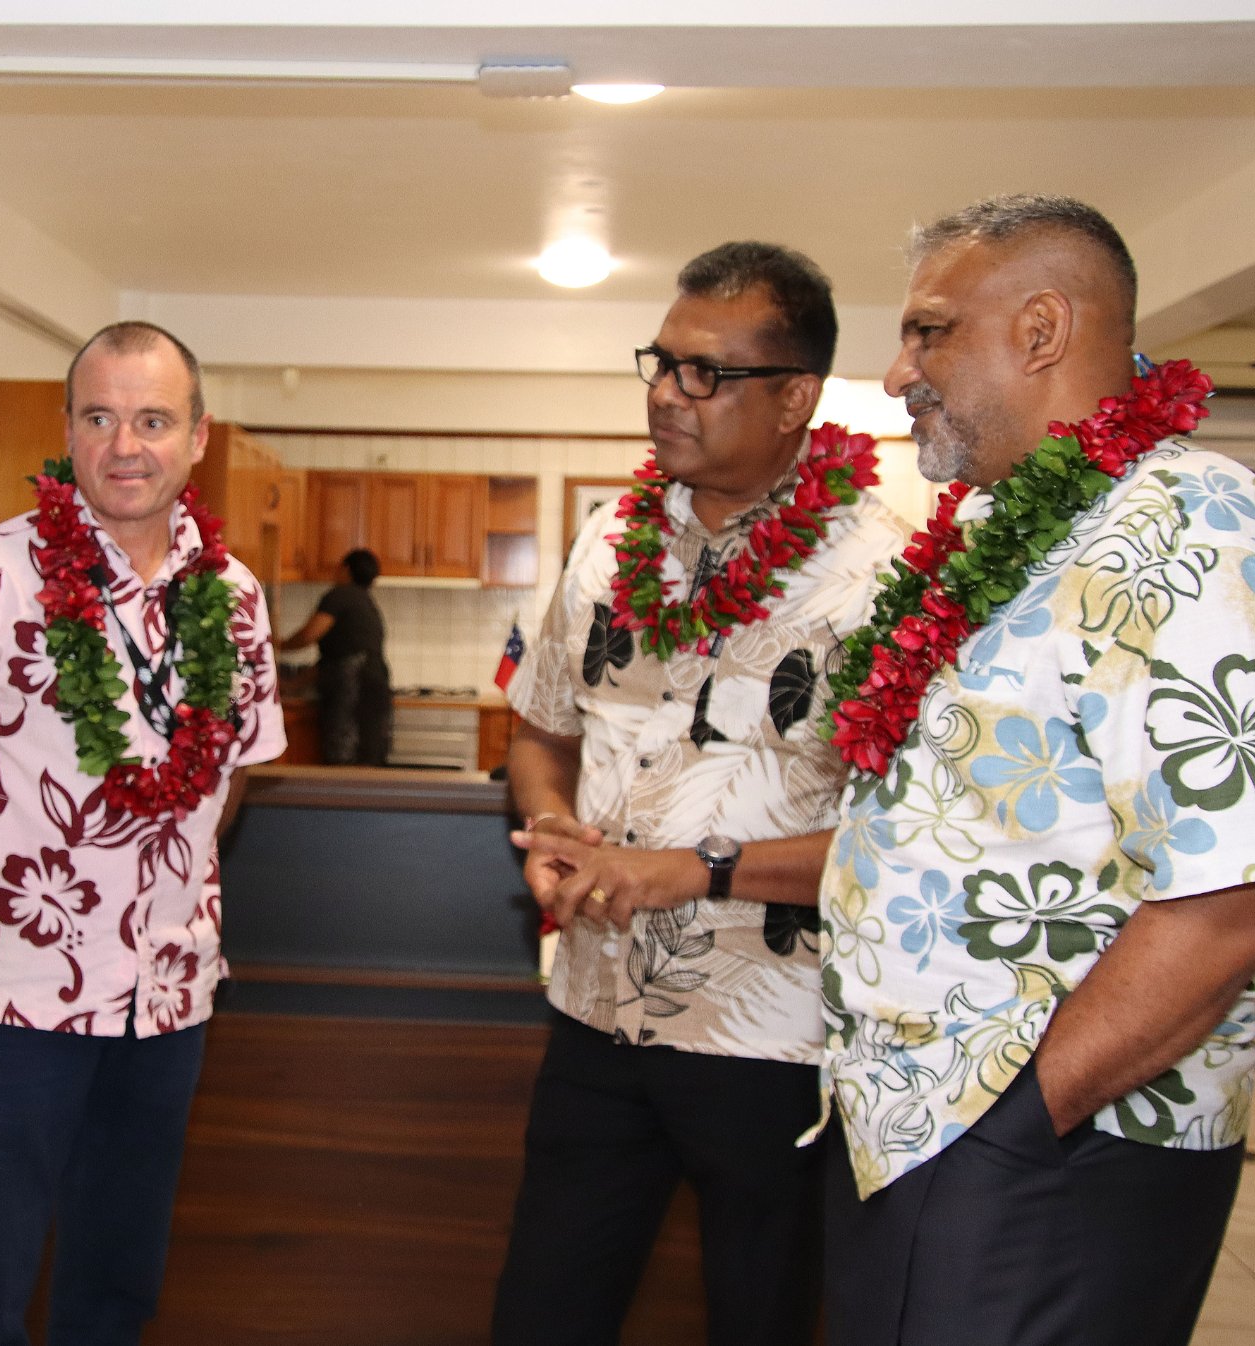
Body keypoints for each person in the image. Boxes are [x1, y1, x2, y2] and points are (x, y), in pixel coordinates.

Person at [819, 195, 1255, 1346]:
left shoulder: (1192, 525)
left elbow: (1234, 888)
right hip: (918, 1126)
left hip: (1050, 1145)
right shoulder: (1021, 531)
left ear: (1040, 328)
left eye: (927, 331)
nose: (896, 372)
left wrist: (1010, 1120)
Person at [492, 243, 907, 1346]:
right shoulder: (607, 542)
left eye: (703, 373)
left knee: (759, 1321)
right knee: (540, 1313)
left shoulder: (887, 574)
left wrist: (693, 871)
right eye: (660, 362)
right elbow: (538, 729)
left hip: (769, 1042)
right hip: (594, 1013)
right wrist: (544, 826)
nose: (665, 394)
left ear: (794, 399)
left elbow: (905, 837)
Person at [0, 320, 286, 1346]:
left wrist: (173, 874)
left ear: (198, 435)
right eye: (100, 416)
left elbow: (231, 772)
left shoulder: (236, 597)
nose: (126, 444)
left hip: (166, 991)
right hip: (9, 993)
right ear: (68, 431)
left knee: (116, 1286)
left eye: (153, 418)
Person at [278, 546, 392, 765]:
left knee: (344, 755)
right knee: (369, 755)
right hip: (374, 686)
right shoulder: (367, 603)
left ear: (346, 570)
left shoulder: (340, 595)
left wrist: (278, 645)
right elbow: (331, 660)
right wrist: (293, 684)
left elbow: (310, 635)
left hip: (352, 691)